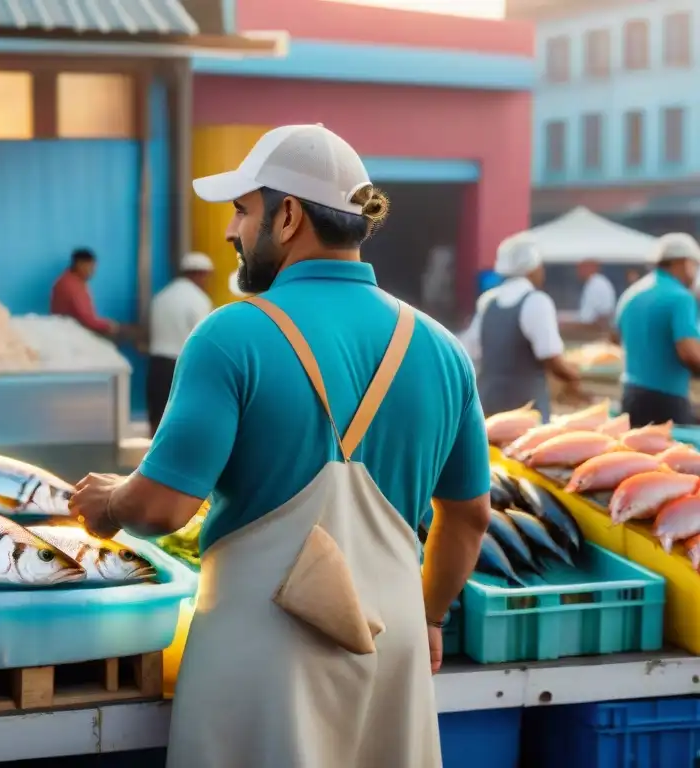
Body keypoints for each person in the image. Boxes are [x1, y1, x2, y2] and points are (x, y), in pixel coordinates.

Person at [69, 124, 492, 768]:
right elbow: (469, 516)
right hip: (395, 649)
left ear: (288, 215)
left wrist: (110, 503)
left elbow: (163, 508)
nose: (232, 231)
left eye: (243, 210)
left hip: (265, 656)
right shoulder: (442, 349)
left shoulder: (231, 335)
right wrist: (430, 617)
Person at [461, 237, 582, 422]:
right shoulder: (537, 301)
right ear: (533, 268)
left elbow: (471, 350)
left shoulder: (488, 301)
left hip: (488, 406)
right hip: (526, 412)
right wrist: (574, 378)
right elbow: (549, 355)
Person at [614, 233, 700, 426]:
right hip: (666, 400)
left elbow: (615, 336)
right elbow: (689, 352)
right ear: (683, 262)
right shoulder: (681, 297)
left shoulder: (631, 293)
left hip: (630, 395)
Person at [146, 252, 214, 434]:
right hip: (182, 365)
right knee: (181, 423)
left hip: (157, 364)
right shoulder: (199, 300)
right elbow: (203, 339)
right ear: (200, 274)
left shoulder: (160, 296)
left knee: (157, 421)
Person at [50, 248, 118, 337]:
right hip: (75, 332)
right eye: (90, 267)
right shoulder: (72, 286)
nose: (93, 272)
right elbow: (86, 319)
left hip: (66, 328)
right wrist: (108, 325)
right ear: (79, 264)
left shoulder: (65, 279)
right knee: (131, 332)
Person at [562, 259, 617, 337]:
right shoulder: (592, 283)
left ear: (592, 266)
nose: (578, 269)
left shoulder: (598, 284)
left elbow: (595, 321)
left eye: (582, 266)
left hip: (596, 337)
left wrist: (565, 326)